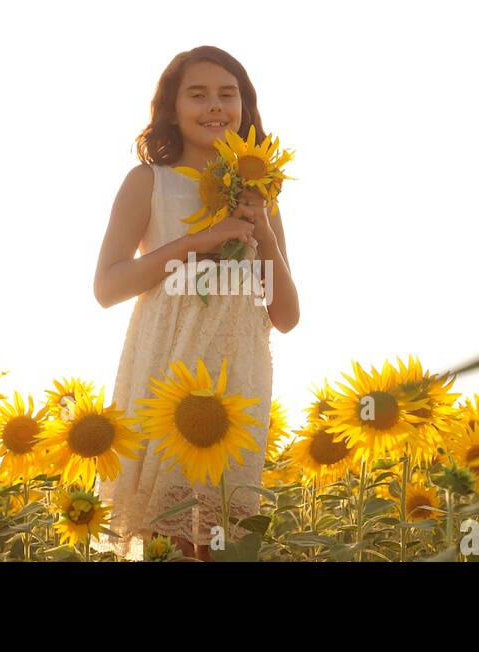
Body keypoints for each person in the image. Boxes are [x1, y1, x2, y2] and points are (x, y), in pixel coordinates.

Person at [93, 45, 299, 560]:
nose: (214, 106)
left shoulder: (262, 194)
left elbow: (287, 316)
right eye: (198, 94)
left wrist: (264, 233)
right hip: (166, 367)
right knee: (170, 535)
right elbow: (108, 287)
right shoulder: (149, 182)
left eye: (227, 95)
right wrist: (192, 244)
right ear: (172, 106)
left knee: (223, 534)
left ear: (244, 107)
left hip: (238, 375)